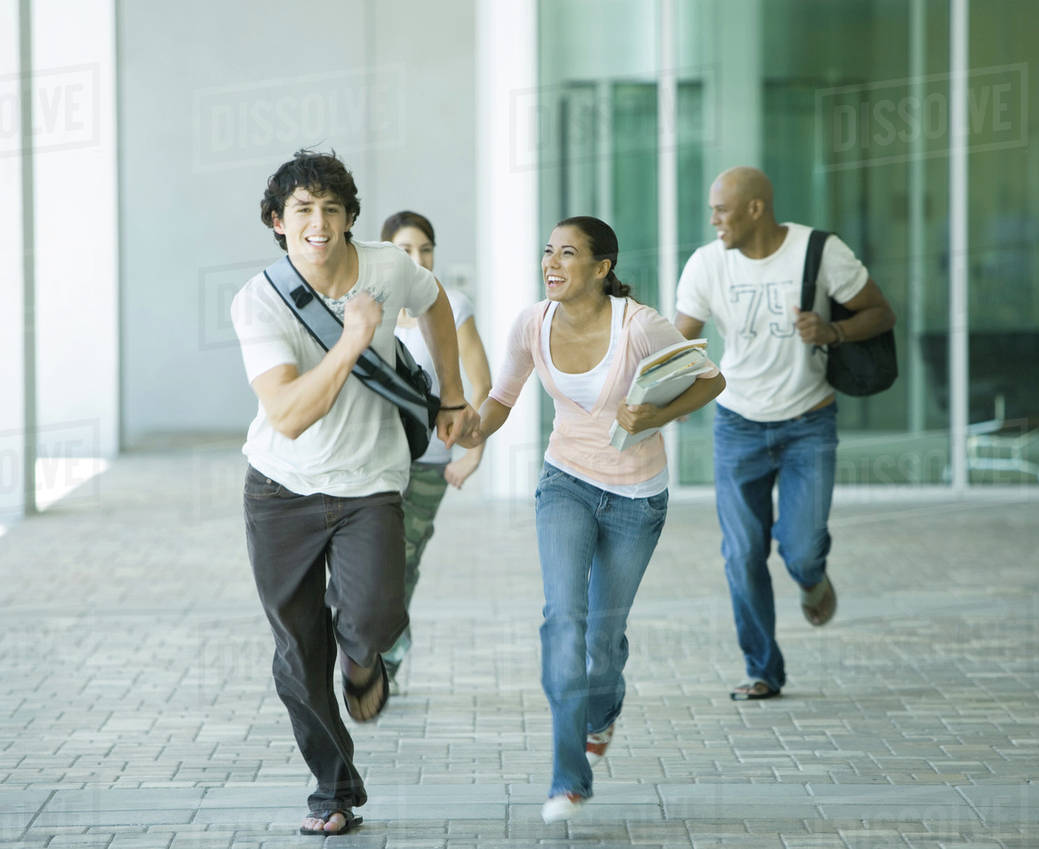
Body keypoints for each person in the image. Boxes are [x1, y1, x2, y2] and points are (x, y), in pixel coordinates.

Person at [230, 150, 478, 836]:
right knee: (296, 654)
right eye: (303, 210)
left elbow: (438, 307)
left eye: (332, 209)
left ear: (349, 219)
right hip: (280, 491)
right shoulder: (259, 299)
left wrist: (452, 395)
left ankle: (363, 656)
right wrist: (355, 339)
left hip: (371, 482)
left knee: (374, 614)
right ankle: (331, 790)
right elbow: (287, 413)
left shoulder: (389, 267)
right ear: (278, 222)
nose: (319, 223)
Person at [458, 216, 724, 824]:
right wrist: (475, 428)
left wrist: (651, 419)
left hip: (637, 498)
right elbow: (501, 398)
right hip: (565, 484)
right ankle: (567, 778)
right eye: (548, 252)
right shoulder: (533, 323)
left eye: (569, 254)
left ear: (602, 268)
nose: (552, 263)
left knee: (602, 644)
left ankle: (602, 714)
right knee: (563, 621)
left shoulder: (641, 325)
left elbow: (712, 380)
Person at [673, 166, 895, 702]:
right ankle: (762, 669)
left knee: (798, 549)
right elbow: (679, 344)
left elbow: (880, 313)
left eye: (721, 209)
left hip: (808, 423)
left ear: (755, 208)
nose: (713, 220)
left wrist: (834, 330)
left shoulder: (819, 251)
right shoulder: (706, 264)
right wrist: (662, 399)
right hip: (736, 424)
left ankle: (812, 578)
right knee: (741, 552)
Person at [378, 210, 493, 683]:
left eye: (425, 250)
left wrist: (475, 453)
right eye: (406, 250)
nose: (418, 258)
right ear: (387, 254)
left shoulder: (452, 305)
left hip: (429, 461)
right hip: (373, 460)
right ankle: (375, 639)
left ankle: (386, 653)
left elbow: (479, 385)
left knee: (404, 555)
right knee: (368, 559)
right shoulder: (370, 304)